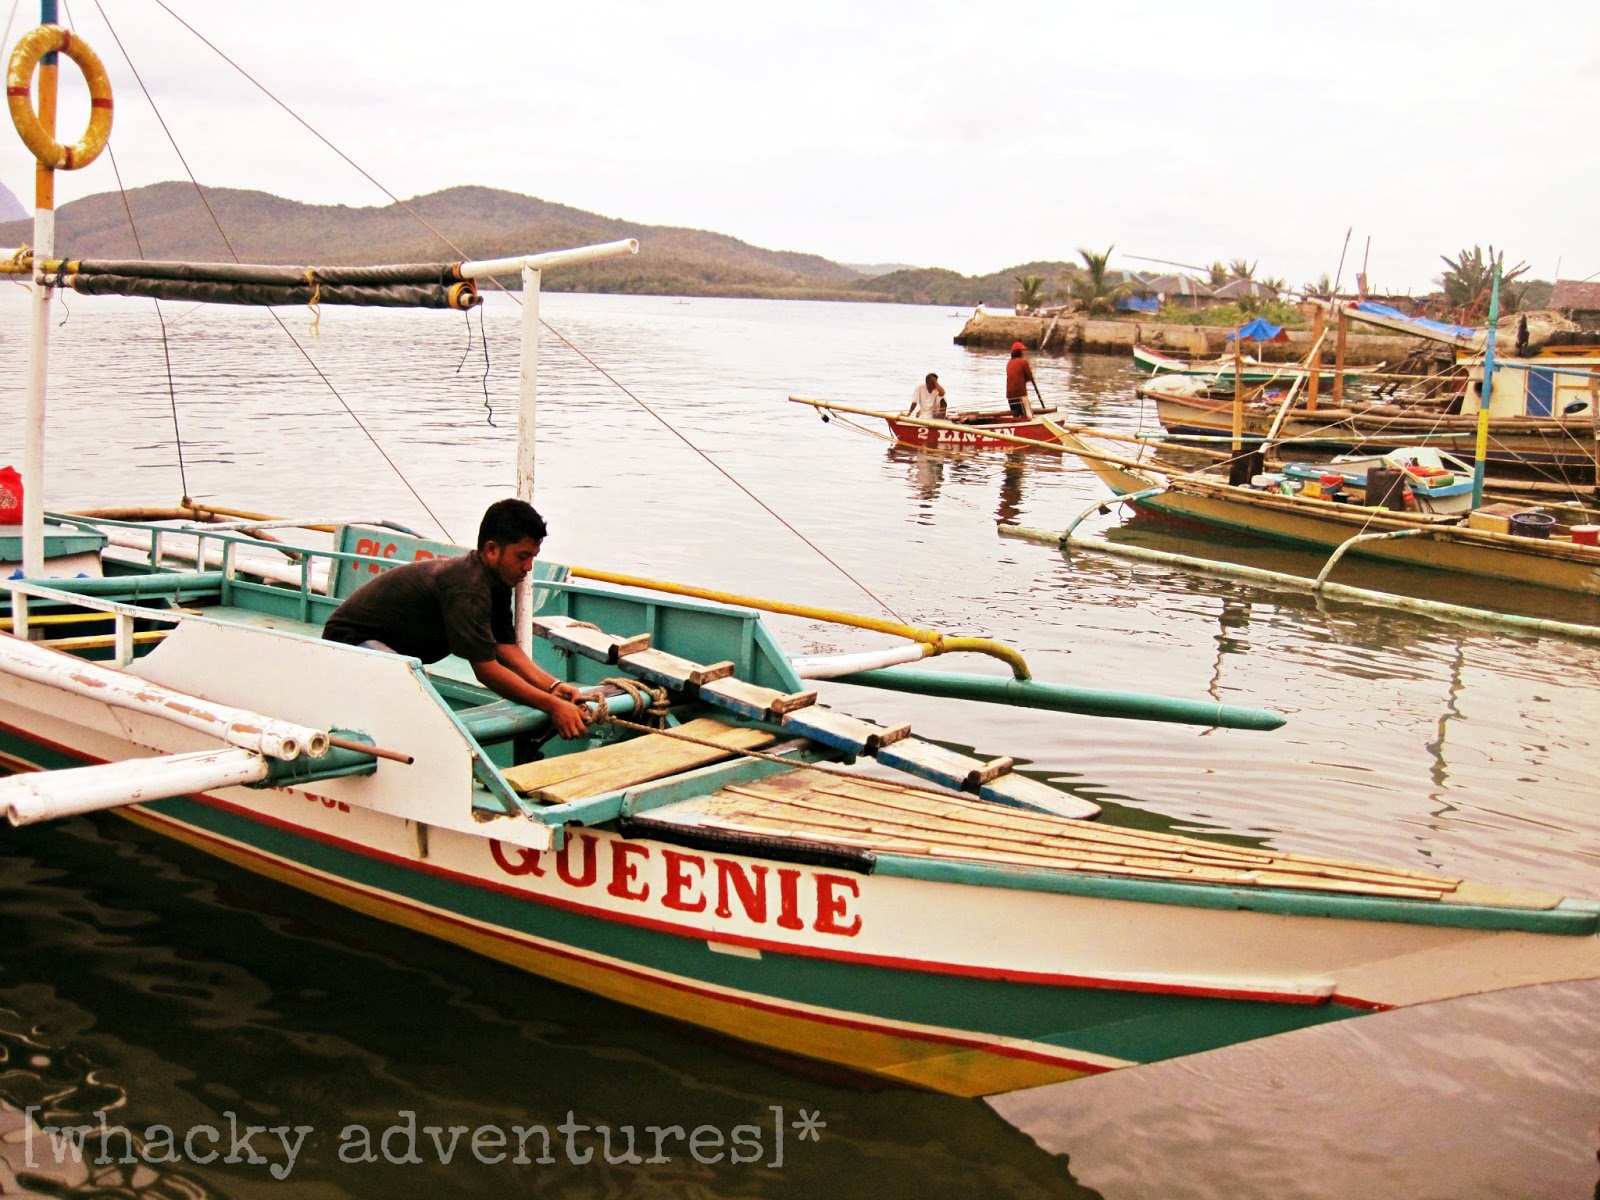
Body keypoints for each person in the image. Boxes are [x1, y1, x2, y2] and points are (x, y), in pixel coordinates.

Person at [322, 498, 591, 738]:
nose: (528, 567)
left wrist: (552, 686)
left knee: (414, 683)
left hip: (391, 646)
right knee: (417, 691)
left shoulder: (496, 581)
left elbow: (505, 647)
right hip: (350, 641)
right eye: (522, 556)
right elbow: (486, 671)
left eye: (533, 557)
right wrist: (552, 706)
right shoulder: (468, 588)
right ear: (491, 550)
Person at [1005, 341, 1039, 419]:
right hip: (1020, 394)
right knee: (1028, 415)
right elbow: (1029, 377)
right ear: (1019, 352)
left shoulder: (1009, 363)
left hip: (1010, 395)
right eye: (1022, 351)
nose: (1024, 353)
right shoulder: (1023, 362)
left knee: (1016, 415)